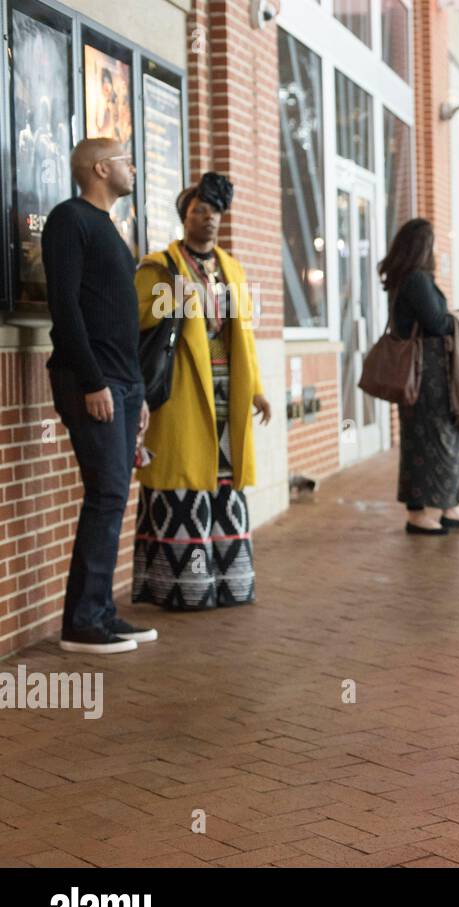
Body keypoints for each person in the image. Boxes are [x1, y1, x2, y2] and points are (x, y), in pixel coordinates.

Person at [132, 173, 271, 610]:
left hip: (229, 394)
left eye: (214, 213)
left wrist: (258, 391)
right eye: (198, 212)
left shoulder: (232, 269)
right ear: (184, 216)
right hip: (183, 396)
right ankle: (183, 590)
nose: (207, 220)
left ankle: (230, 583)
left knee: (225, 482)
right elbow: (137, 327)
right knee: (184, 485)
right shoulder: (160, 267)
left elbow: (243, 337)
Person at [44, 138, 155, 653]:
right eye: (126, 160)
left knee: (113, 498)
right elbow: (65, 309)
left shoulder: (110, 226)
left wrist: (140, 393)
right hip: (91, 381)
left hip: (122, 383)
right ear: (101, 168)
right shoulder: (70, 220)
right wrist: (93, 382)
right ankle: (82, 622)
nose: (133, 168)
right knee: (106, 495)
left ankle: (102, 612)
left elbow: (116, 316)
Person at [379, 218, 459, 535]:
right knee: (434, 438)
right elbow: (435, 322)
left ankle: (448, 506)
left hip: (423, 374)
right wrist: (456, 319)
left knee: (431, 437)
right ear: (422, 247)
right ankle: (418, 514)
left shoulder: (403, 278)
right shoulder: (416, 280)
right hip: (426, 374)